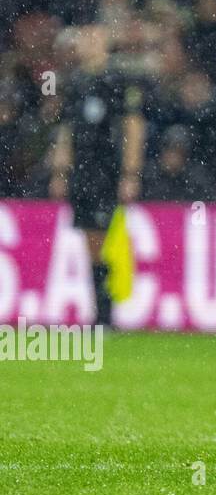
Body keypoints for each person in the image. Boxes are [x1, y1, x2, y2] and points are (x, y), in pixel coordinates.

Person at [48, 26, 147, 327]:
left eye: (94, 39)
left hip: (108, 169)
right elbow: (68, 129)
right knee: (88, 238)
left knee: (105, 236)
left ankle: (107, 311)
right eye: (84, 39)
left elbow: (132, 125)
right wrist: (60, 171)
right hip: (83, 170)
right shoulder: (76, 81)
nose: (87, 44)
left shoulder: (117, 80)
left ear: (106, 44)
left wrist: (130, 173)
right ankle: (100, 312)